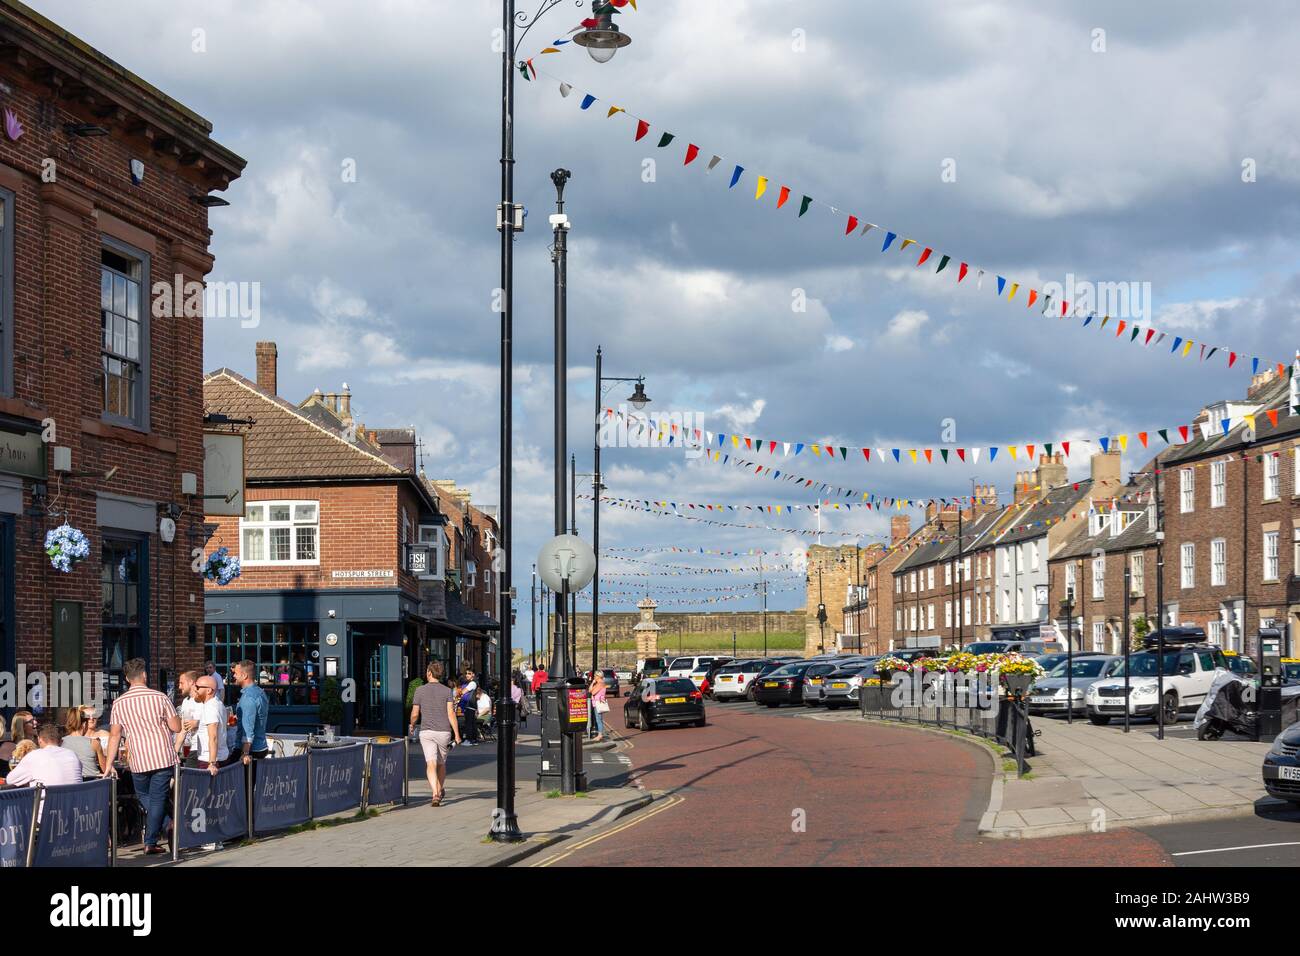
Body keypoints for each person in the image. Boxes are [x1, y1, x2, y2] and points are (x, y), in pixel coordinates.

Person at [104, 659, 180, 855]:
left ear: (128, 679)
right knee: (157, 799)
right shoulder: (160, 697)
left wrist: (109, 763)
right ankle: (160, 832)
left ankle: (155, 837)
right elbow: (176, 727)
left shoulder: (119, 702)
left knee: (144, 796)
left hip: (138, 758)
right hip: (162, 755)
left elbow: (115, 735)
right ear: (144, 675)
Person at [408, 662, 460, 807]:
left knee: (430, 763)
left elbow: (414, 714)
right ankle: (439, 789)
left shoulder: (419, 690)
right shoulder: (447, 691)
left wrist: (412, 725)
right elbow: (451, 713)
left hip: (426, 732)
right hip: (443, 731)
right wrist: (457, 734)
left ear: (429, 673)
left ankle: (435, 793)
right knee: (441, 763)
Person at [4, 723, 81, 790]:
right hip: (76, 805)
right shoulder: (72, 755)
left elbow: (10, 780)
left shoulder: (34, 756)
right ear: (61, 741)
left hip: (46, 806)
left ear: (39, 740)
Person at [231, 660, 270, 763]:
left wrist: (245, 754)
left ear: (244, 676)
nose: (234, 676)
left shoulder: (248, 697)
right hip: (260, 746)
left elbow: (248, 732)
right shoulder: (260, 692)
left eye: (236, 673)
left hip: (250, 751)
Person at [193, 676, 232, 774]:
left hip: (209, 760)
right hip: (220, 757)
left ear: (209, 690)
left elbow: (213, 737)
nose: (195, 689)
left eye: (197, 687)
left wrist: (212, 763)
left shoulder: (210, 707)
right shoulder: (217, 703)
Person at [62, 706, 107, 779]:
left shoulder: (60, 742)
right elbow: (105, 768)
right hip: (93, 784)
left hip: (70, 784)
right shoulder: (94, 742)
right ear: (84, 724)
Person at [176, 670, 203, 767]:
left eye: (181, 683)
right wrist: (174, 752)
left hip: (207, 749)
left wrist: (198, 723)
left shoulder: (205, 698)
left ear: (191, 682)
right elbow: (184, 729)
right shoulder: (185, 702)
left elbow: (219, 721)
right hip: (195, 747)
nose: (179, 687)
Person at [588, 671, 608, 742]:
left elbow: (592, 692)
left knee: (598, 720)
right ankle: (600, 734)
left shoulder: (600, 684)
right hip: (596, 703)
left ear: (598, 676)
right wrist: (593, 683)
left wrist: (593, 685)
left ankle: (600, 735)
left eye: (595, 676)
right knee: (599, 719)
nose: (594, 677)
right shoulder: (598, 683)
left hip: (598, 703)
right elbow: (590, 690)